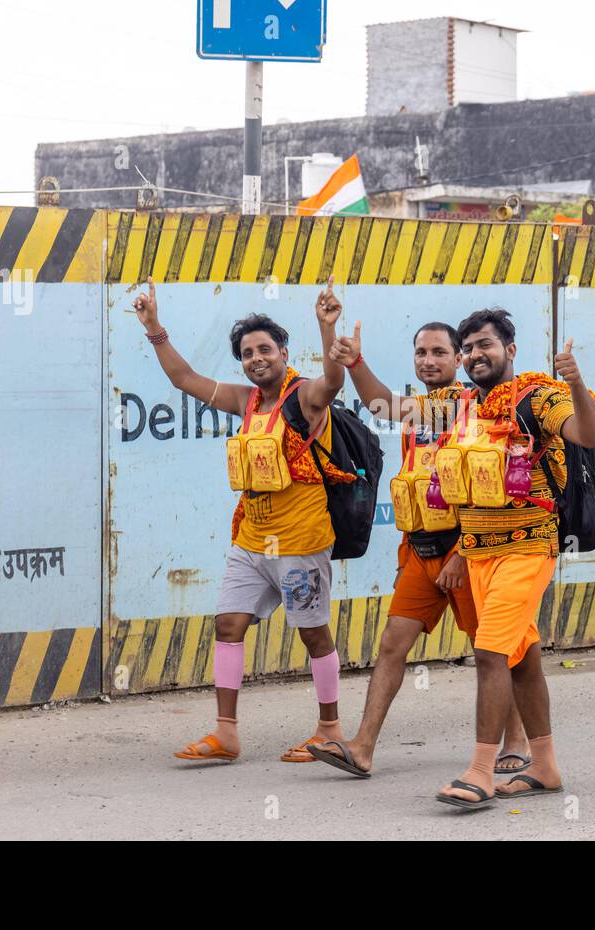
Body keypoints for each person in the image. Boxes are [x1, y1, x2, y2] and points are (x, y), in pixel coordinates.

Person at [131, 275, 354, 765]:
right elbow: (184, 380)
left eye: (265, 349)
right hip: (252, 539)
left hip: (300, 541)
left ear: (283, 351)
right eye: (248, 353)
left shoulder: (305, 398)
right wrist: (154, 328)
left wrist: (327, 327)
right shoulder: (244, 401)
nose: (256, 359)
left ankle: (330, 728)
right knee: (228, 625)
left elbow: (333, 382)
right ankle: (226, 733)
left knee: (313, 633)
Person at [304, 320, 531, 778]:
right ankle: (362, 747)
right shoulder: (423, 411)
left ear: (459, 360)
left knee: (493, 650)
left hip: (470, 550)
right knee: (392, 644)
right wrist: (354, 360)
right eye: (421, 353)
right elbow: (379, 404)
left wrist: (464, 553)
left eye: (440, 353)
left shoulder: (472, 407)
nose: (429, 361)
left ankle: (519, 740)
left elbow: (493, 489)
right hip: (421, 550)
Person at [425, 308, 595, 810]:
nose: (476, 355)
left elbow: (588, 437)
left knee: (489, 653)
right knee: (521, 658)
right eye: (468, 348)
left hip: (528, 547)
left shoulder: (541, 395)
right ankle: (544, 766)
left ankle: (481, 770)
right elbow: (396, 408)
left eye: (486, 344)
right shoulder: (458, 404)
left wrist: (577, 382)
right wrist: (349, 362)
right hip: (479, 553)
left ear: (510, 349)